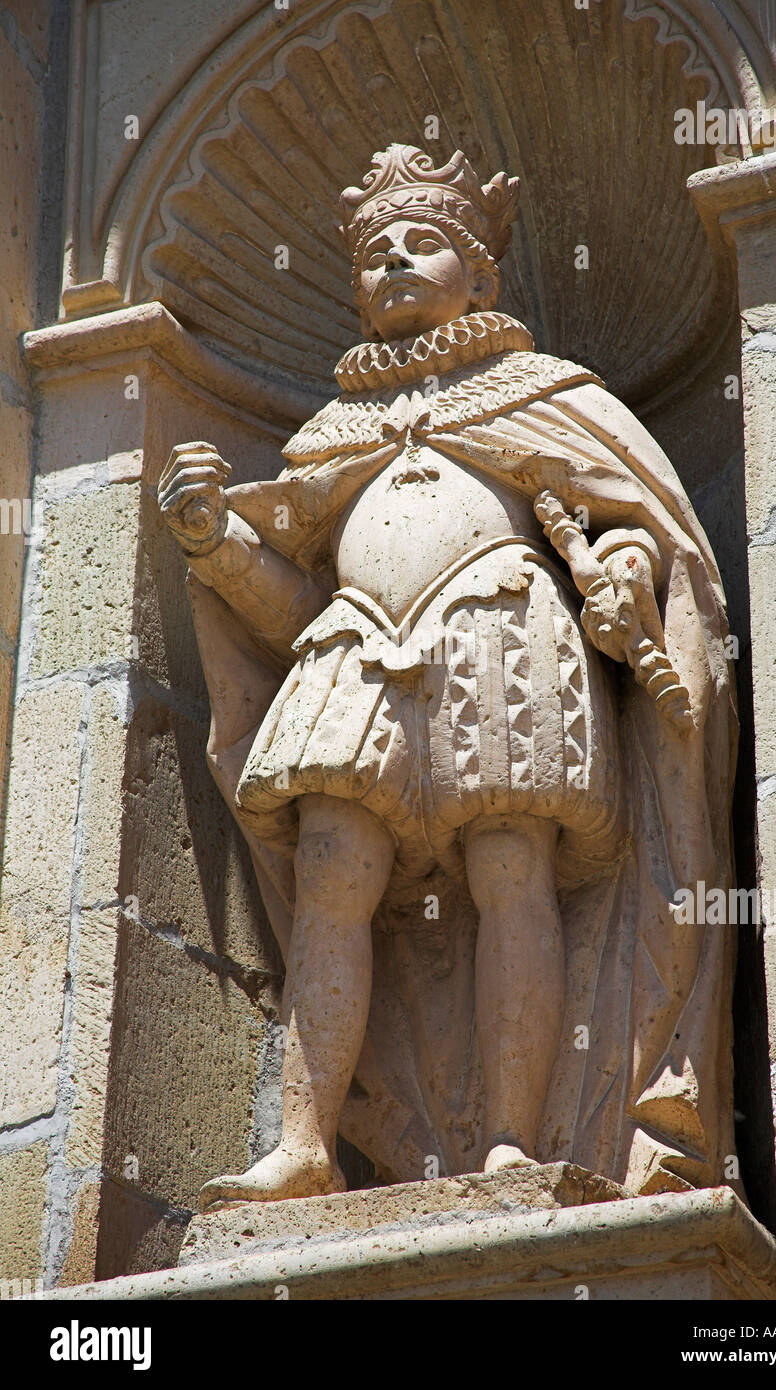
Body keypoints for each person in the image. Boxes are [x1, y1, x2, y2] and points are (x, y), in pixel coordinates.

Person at [158, 145, 738, 1208]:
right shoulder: (329, 441)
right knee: (331, 872)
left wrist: (626, 571)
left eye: (422, 242)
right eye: (372, 254)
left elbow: (634, 522)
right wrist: (213, 543)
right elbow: (289, 615)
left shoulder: (547, 398)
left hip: (503, 638)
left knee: (508, 866)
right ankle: (307, 1141)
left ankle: (515, 1139)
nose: (393, 263)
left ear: (482, 275)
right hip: (355, 647)